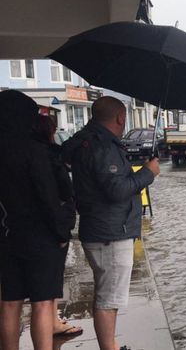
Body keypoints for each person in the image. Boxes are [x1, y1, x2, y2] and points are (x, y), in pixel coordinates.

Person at [62, 97, 160, 350]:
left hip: (101, 229)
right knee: (108, 299)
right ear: (120, 118)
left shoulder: (88, 141)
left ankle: (111, 344)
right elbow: (116, 190)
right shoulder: (104, 147)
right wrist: (148, 173)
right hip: (111, 233)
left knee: (106, 293)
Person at [0, 90, 76, 350]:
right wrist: (62, 233)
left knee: (10, 302)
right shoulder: (35, 151)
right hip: (40, 238)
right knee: (42, 303)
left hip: (7, 236)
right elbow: (48, 198)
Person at [31, 115, 84, 338]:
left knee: (19, 298)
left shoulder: (15, 153)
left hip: (19, 231)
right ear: (50, 132)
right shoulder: (48, 157)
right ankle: (51, 324)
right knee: (45, 294)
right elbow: (62, 192)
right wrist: (62, 232)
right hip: (50, 232)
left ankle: (53, 320)